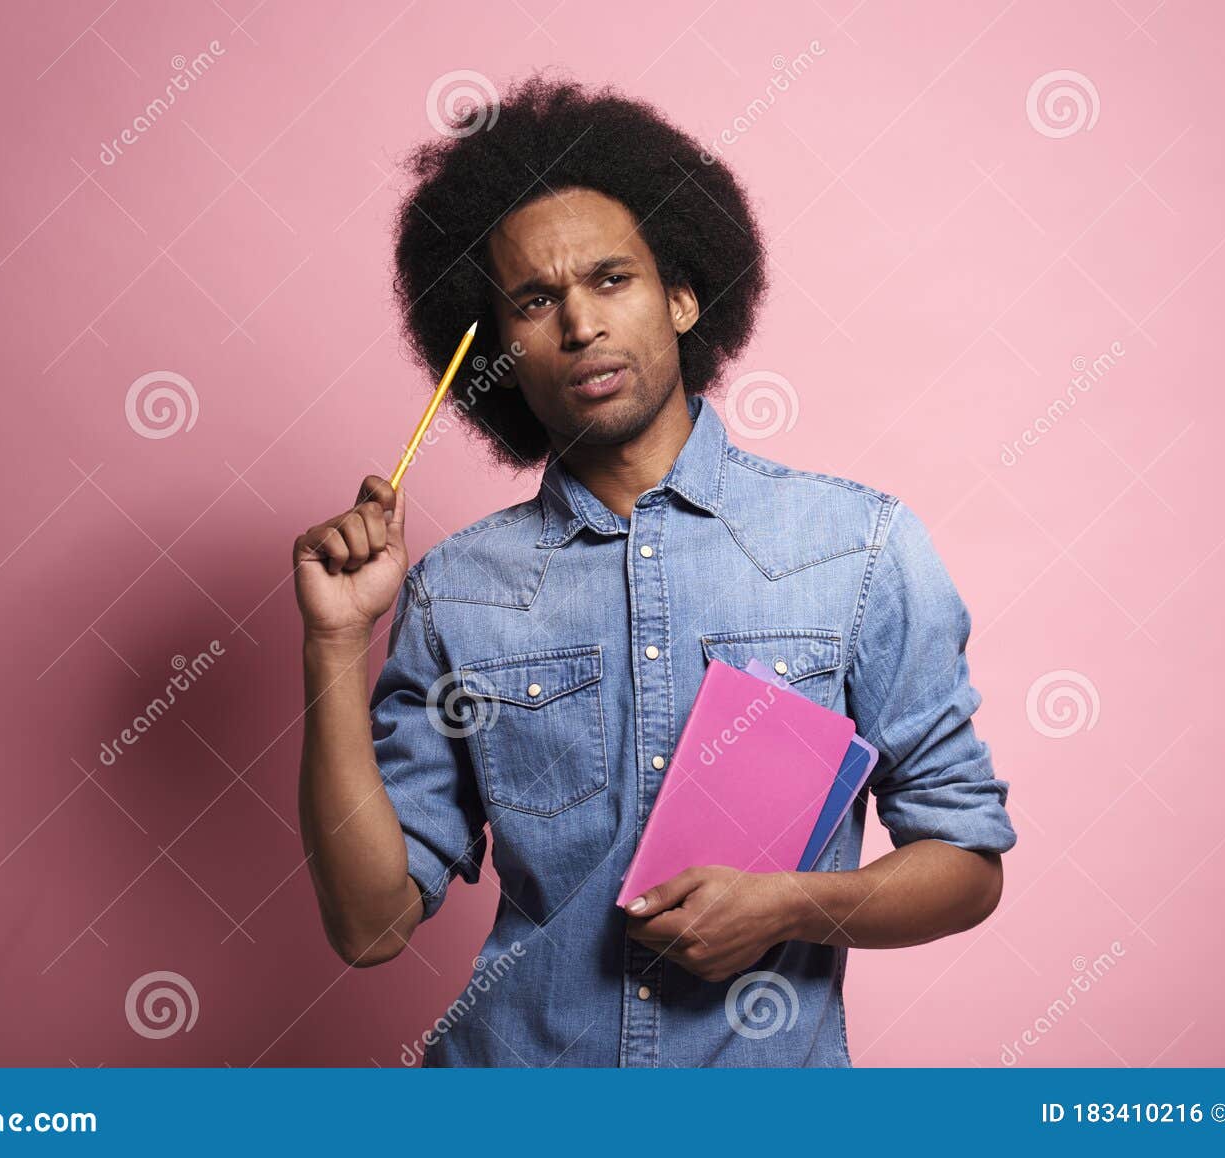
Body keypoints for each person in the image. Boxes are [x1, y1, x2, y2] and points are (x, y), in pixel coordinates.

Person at [292, 74, 1015, 1067]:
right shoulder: (455, 591)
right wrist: (333, 643)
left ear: (681, 295)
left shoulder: (858, 549)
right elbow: (370, 927)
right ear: (496, 348)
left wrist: (790, 906)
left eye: (611, 279)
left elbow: (966, 866)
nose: (579, 324)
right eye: (535, 301)